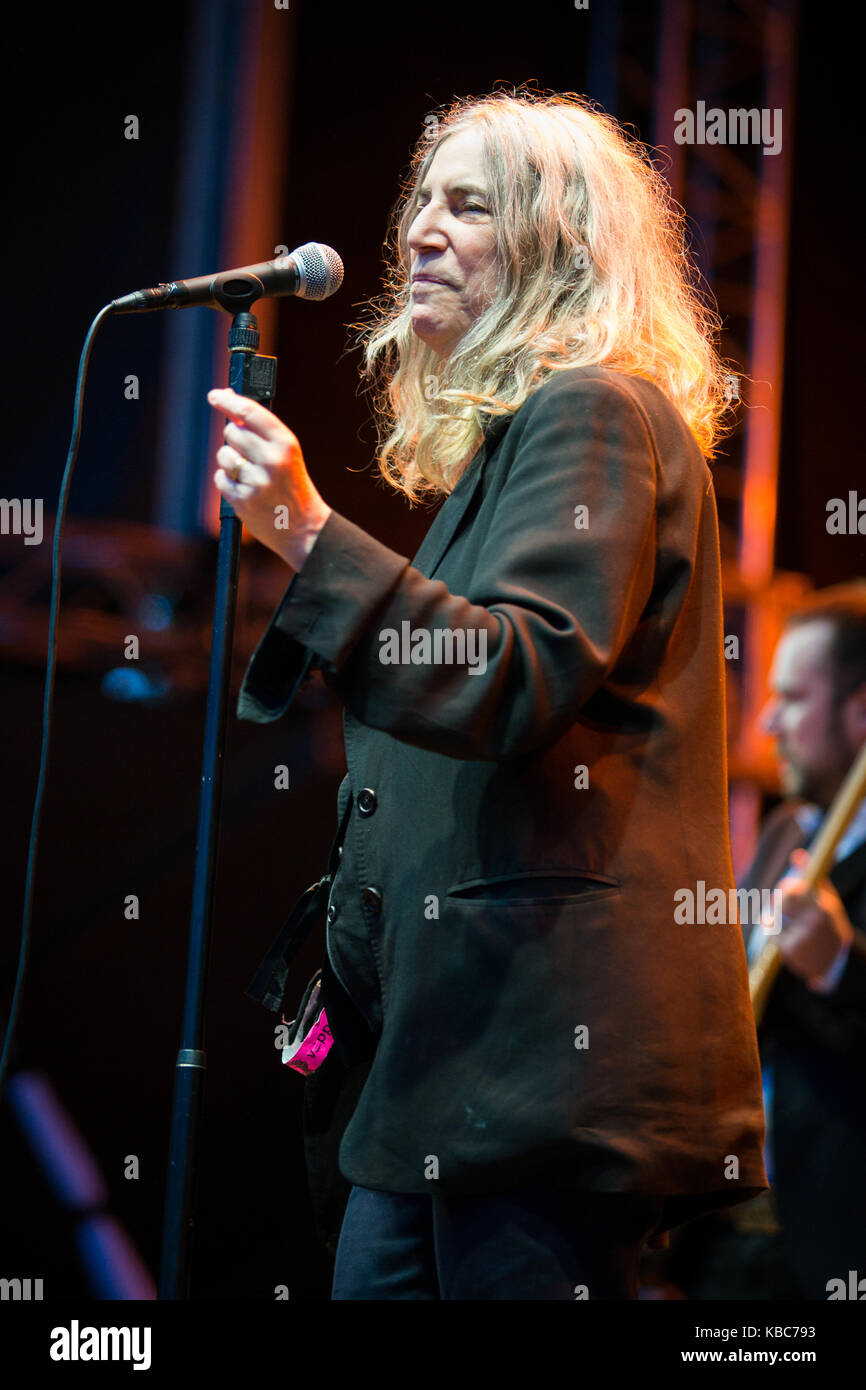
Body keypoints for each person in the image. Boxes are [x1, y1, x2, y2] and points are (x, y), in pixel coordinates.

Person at [207, 90, 768, 1301]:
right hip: (448, 1084)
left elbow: (512, 676)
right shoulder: (508, 457)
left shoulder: (592, 410)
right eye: (423, 199)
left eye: (467, 206)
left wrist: (308, 533)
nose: (419, 228)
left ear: (557, 250)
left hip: (537, 1079)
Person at [663, 583, 866, 1300]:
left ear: (860, 710)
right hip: (738, 1247)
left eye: (794, 698)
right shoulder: (786, 832)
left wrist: (843, 969)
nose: (769, 719)